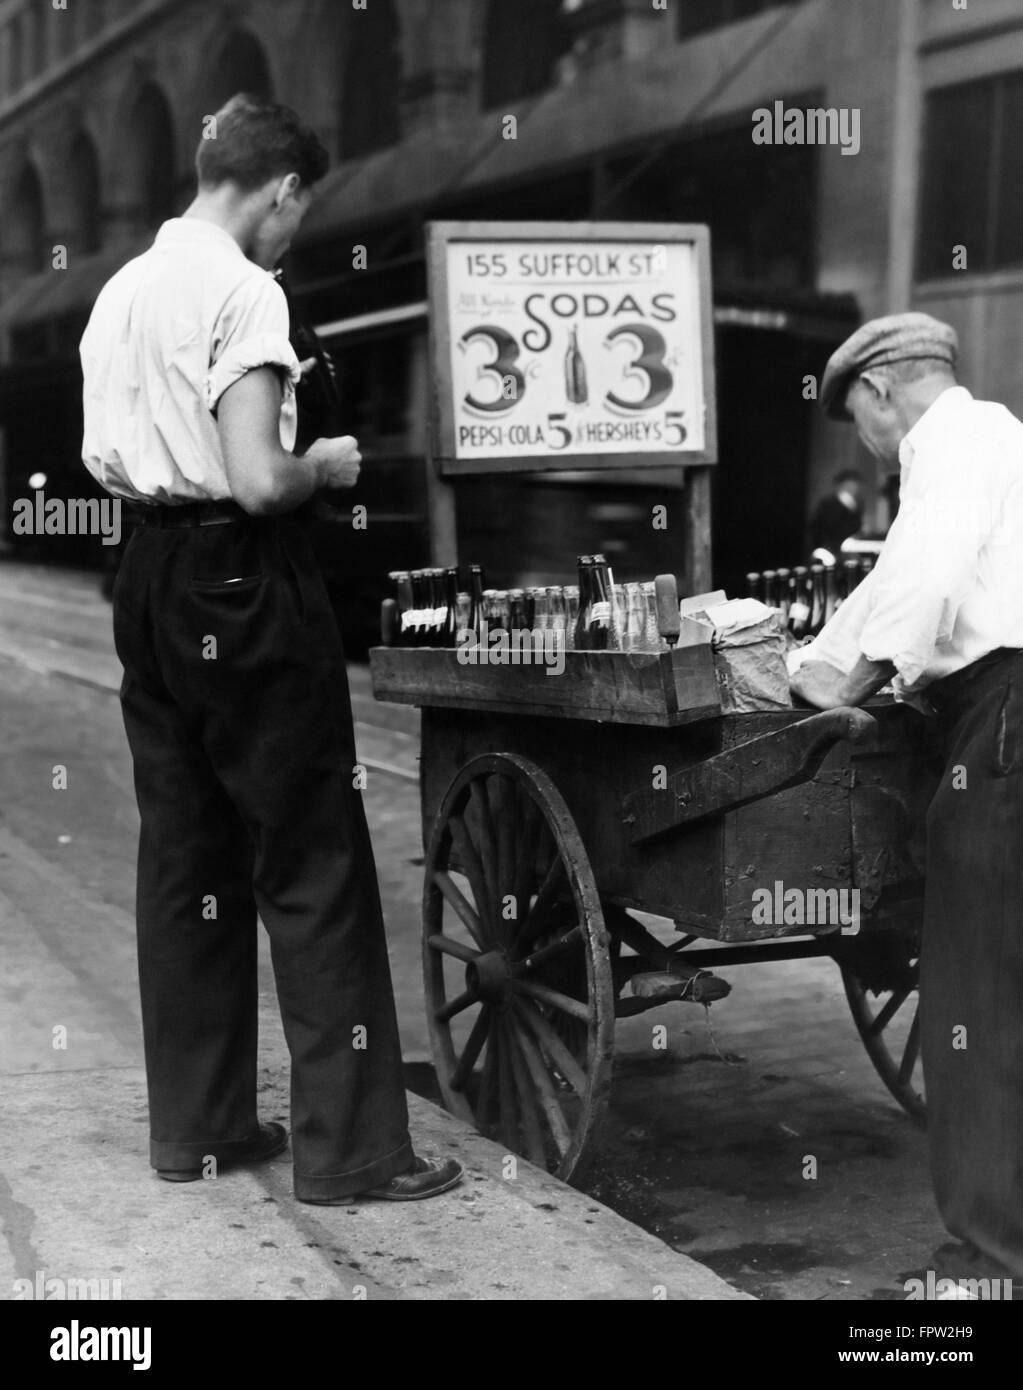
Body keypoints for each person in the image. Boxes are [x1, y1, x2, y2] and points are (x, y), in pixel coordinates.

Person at [79, 93, 461, 1204]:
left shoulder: (119, 293)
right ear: (282, 189)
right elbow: (256, 477)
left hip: (147, 577)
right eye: (304, 208)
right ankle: (353, 1152)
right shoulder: (246, 291)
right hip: (242, 577)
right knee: (312, 856)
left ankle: (197, 1129)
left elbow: (110, 453)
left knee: (185, 857)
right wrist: (325, 467)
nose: (298, 229)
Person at [789, 311, 1023, 1296]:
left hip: (1000, 722)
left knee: (976, 997)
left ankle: (982, 1267)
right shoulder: (1002, 434)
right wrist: (809, 660)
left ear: (884, 394)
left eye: (860, 422)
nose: (867, 444)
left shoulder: (946, 445)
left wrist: (849, 687)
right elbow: (895, 574)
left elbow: (918, 585)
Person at [807, 467, 864, 565]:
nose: (854, 487)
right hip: (829, 550)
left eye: (855, 484)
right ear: (841, 485)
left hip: (848, 550)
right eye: (850, 484)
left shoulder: (856, 504)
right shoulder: (828, 503)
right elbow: (822, 529)